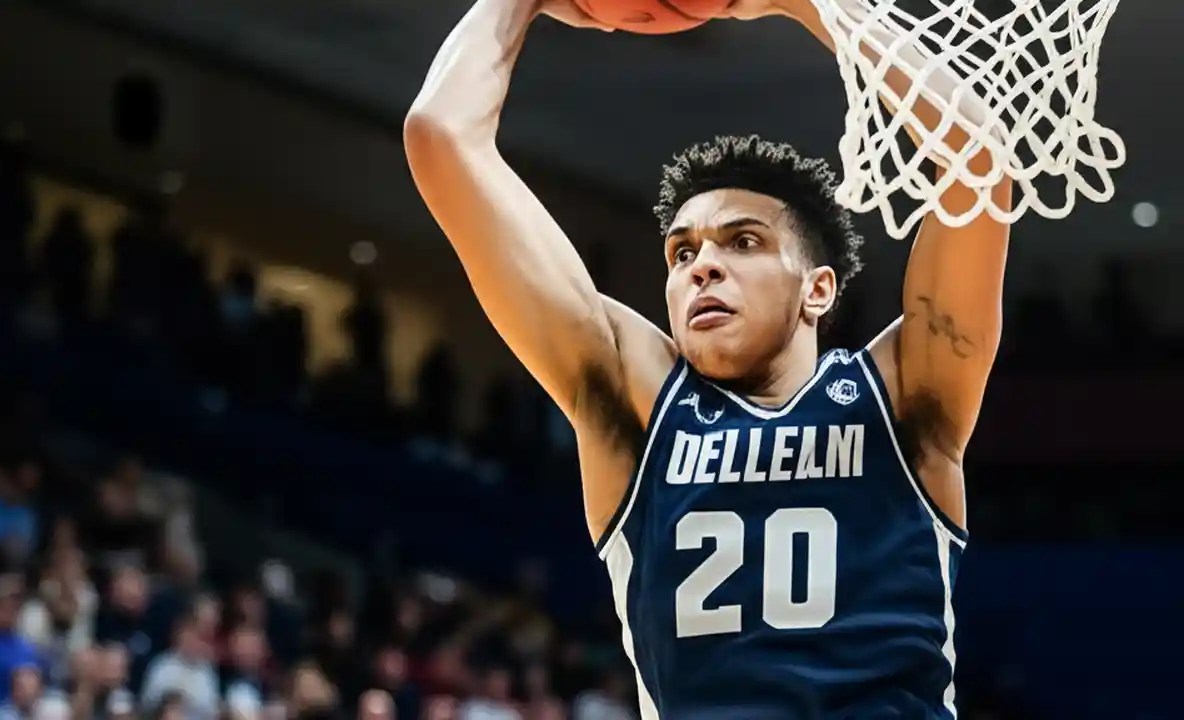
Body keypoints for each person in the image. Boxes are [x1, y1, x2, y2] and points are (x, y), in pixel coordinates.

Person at [404, 0, 1013, 717]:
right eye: (683, 252)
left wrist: (810, 6)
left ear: (818, 289)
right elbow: (440, 136)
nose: (702, 267)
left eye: (743, 242)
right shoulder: (637, 402)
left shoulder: (903, 395)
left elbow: (978, 156)